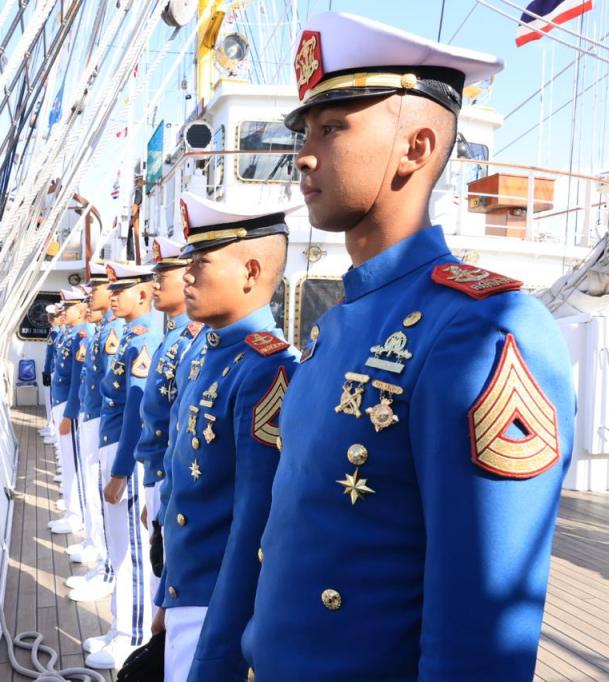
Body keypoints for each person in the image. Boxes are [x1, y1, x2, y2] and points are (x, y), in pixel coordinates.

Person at [242, 12, 576, 681]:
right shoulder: (338, 324)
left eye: (333, 127)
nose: (305, 153)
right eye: (304, 131)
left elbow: (480, 642)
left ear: (417, 148)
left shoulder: (482, 329)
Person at [153, 192, 299, 682]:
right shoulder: (206, 354)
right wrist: (164, 597)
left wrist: (218, 650)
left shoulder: (267, 368)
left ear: (251, 272)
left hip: (217, 604)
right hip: (186, 591)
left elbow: (254, 523)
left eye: (202, 261)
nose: (187, 273)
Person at [84, 262, 163, 670]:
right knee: (119, 545)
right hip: (113, 443)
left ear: (144, 293)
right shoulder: (131, 335)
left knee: (129, 549)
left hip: (125, 454)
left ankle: (130, 636)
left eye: (121, 290)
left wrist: (119, 469)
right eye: (110, 290)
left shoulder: (145, 338)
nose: (113, 296)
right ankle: (122, 625)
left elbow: (137, 410)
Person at [131, 236, 203, 601]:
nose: (156, 284)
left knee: (161, 576)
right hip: (161, 476)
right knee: (157, 571)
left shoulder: (191, 343)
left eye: (165, 274)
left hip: (169, 477)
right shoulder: (175, 338)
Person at [67, 262, 125, 601]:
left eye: (101, 291)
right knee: (91, 486)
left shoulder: (122, 336)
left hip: (110, 428)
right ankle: (98, 553)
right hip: (98, 421)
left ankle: (105, 564)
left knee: (101, 496)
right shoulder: (105, 332)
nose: (94, 298)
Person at [48, 287, 90, 536]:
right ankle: (72, 507)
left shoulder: (82, 335)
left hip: (70, 406)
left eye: (68, 307)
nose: (64, 312)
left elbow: (78, 380)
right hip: (61, 400)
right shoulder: (71, 334)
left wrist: (70, 414)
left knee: (75, 463)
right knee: (69, 459)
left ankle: (76, 514)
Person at [40, 305, 62, 444]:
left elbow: (50, 355)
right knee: (51, 401)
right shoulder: (55, 332)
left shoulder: (55, 333)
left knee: (53, 402)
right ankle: (50, 425)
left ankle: (53, 427)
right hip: (53, 370)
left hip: (54, 371)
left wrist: (47, 371)